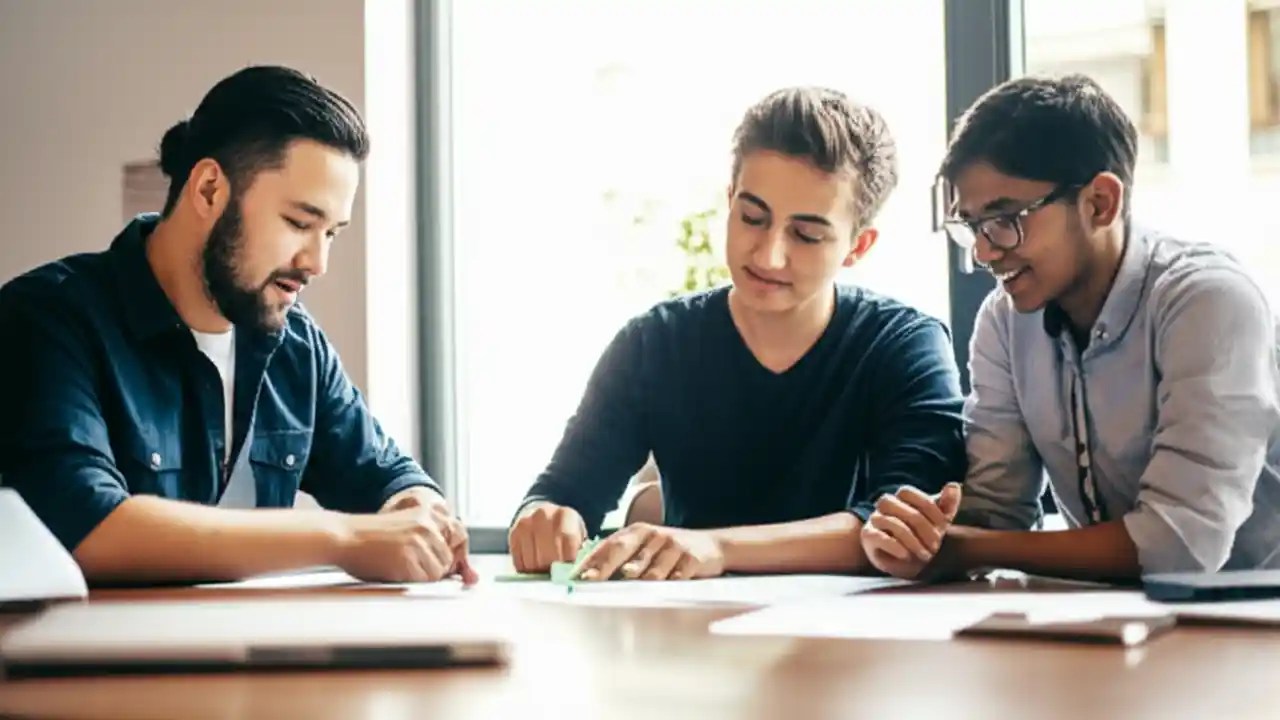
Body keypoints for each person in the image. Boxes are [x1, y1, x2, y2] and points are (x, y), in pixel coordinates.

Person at [0, 66, 476, 585]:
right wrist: (345, 538)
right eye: (299, 223)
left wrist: (418, 513)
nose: (317, 262)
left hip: (254, 656)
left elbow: (389, 478)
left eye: (332, 233)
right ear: (208, 190)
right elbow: (85, 528)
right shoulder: (47, 319)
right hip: (90, 663)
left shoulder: (298, 345)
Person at [508, 87, 967, 581]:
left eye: (806, 235)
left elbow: (902, 528)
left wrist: (720, 547)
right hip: (687, 631)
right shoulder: (654, 343)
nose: (768, 255)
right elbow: (564, 491)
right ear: (730, 201)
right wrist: (548, 518)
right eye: (752, 217)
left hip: (858, 639)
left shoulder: (904, 345)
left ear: (858, 245)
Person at [862, 74, 1280, 582]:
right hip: (1115, 617)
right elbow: (995, 513)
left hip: (1255, 622)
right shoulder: (1004, 320)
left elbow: (1178, 546)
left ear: (1100, 203)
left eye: (1005, 218)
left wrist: (966, 547)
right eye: (970, 225)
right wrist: (917, 536)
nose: (983, 250)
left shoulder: (1207, 301)